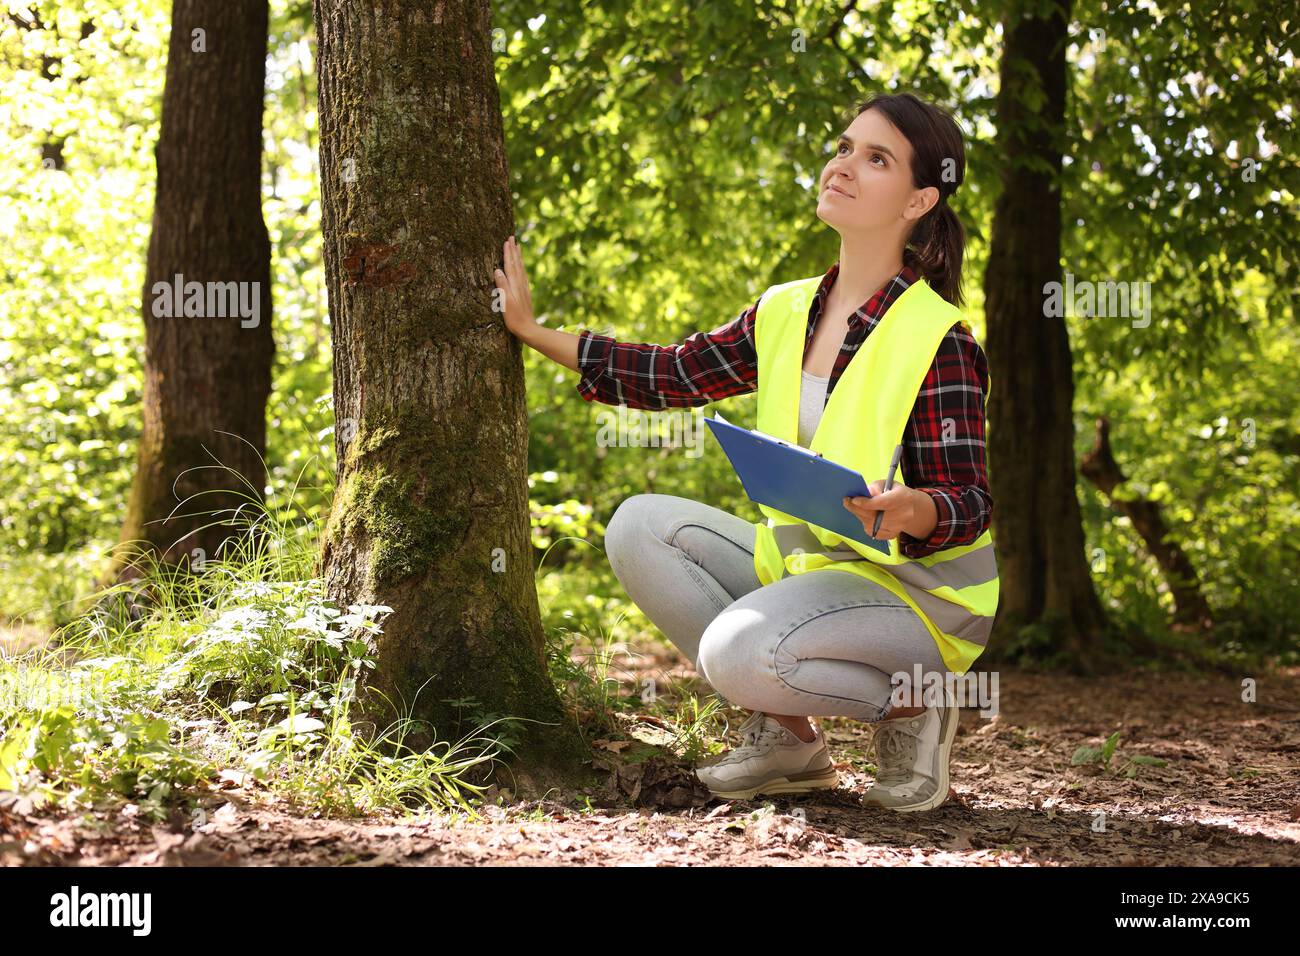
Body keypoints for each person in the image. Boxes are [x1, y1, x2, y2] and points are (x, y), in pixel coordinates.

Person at [494, 92, 997, 812]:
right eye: (846, 146)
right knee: (639, 525)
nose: (844, 165)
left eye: (876, 158)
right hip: (811, 572)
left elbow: (970, 503)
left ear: (919, 200)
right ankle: (792, 739)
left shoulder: (940, 337)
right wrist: (535, 332)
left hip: (918, 603)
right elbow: (672, 372)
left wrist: (914, 508)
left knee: (735, 653)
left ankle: (915, 708)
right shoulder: (787, 309)